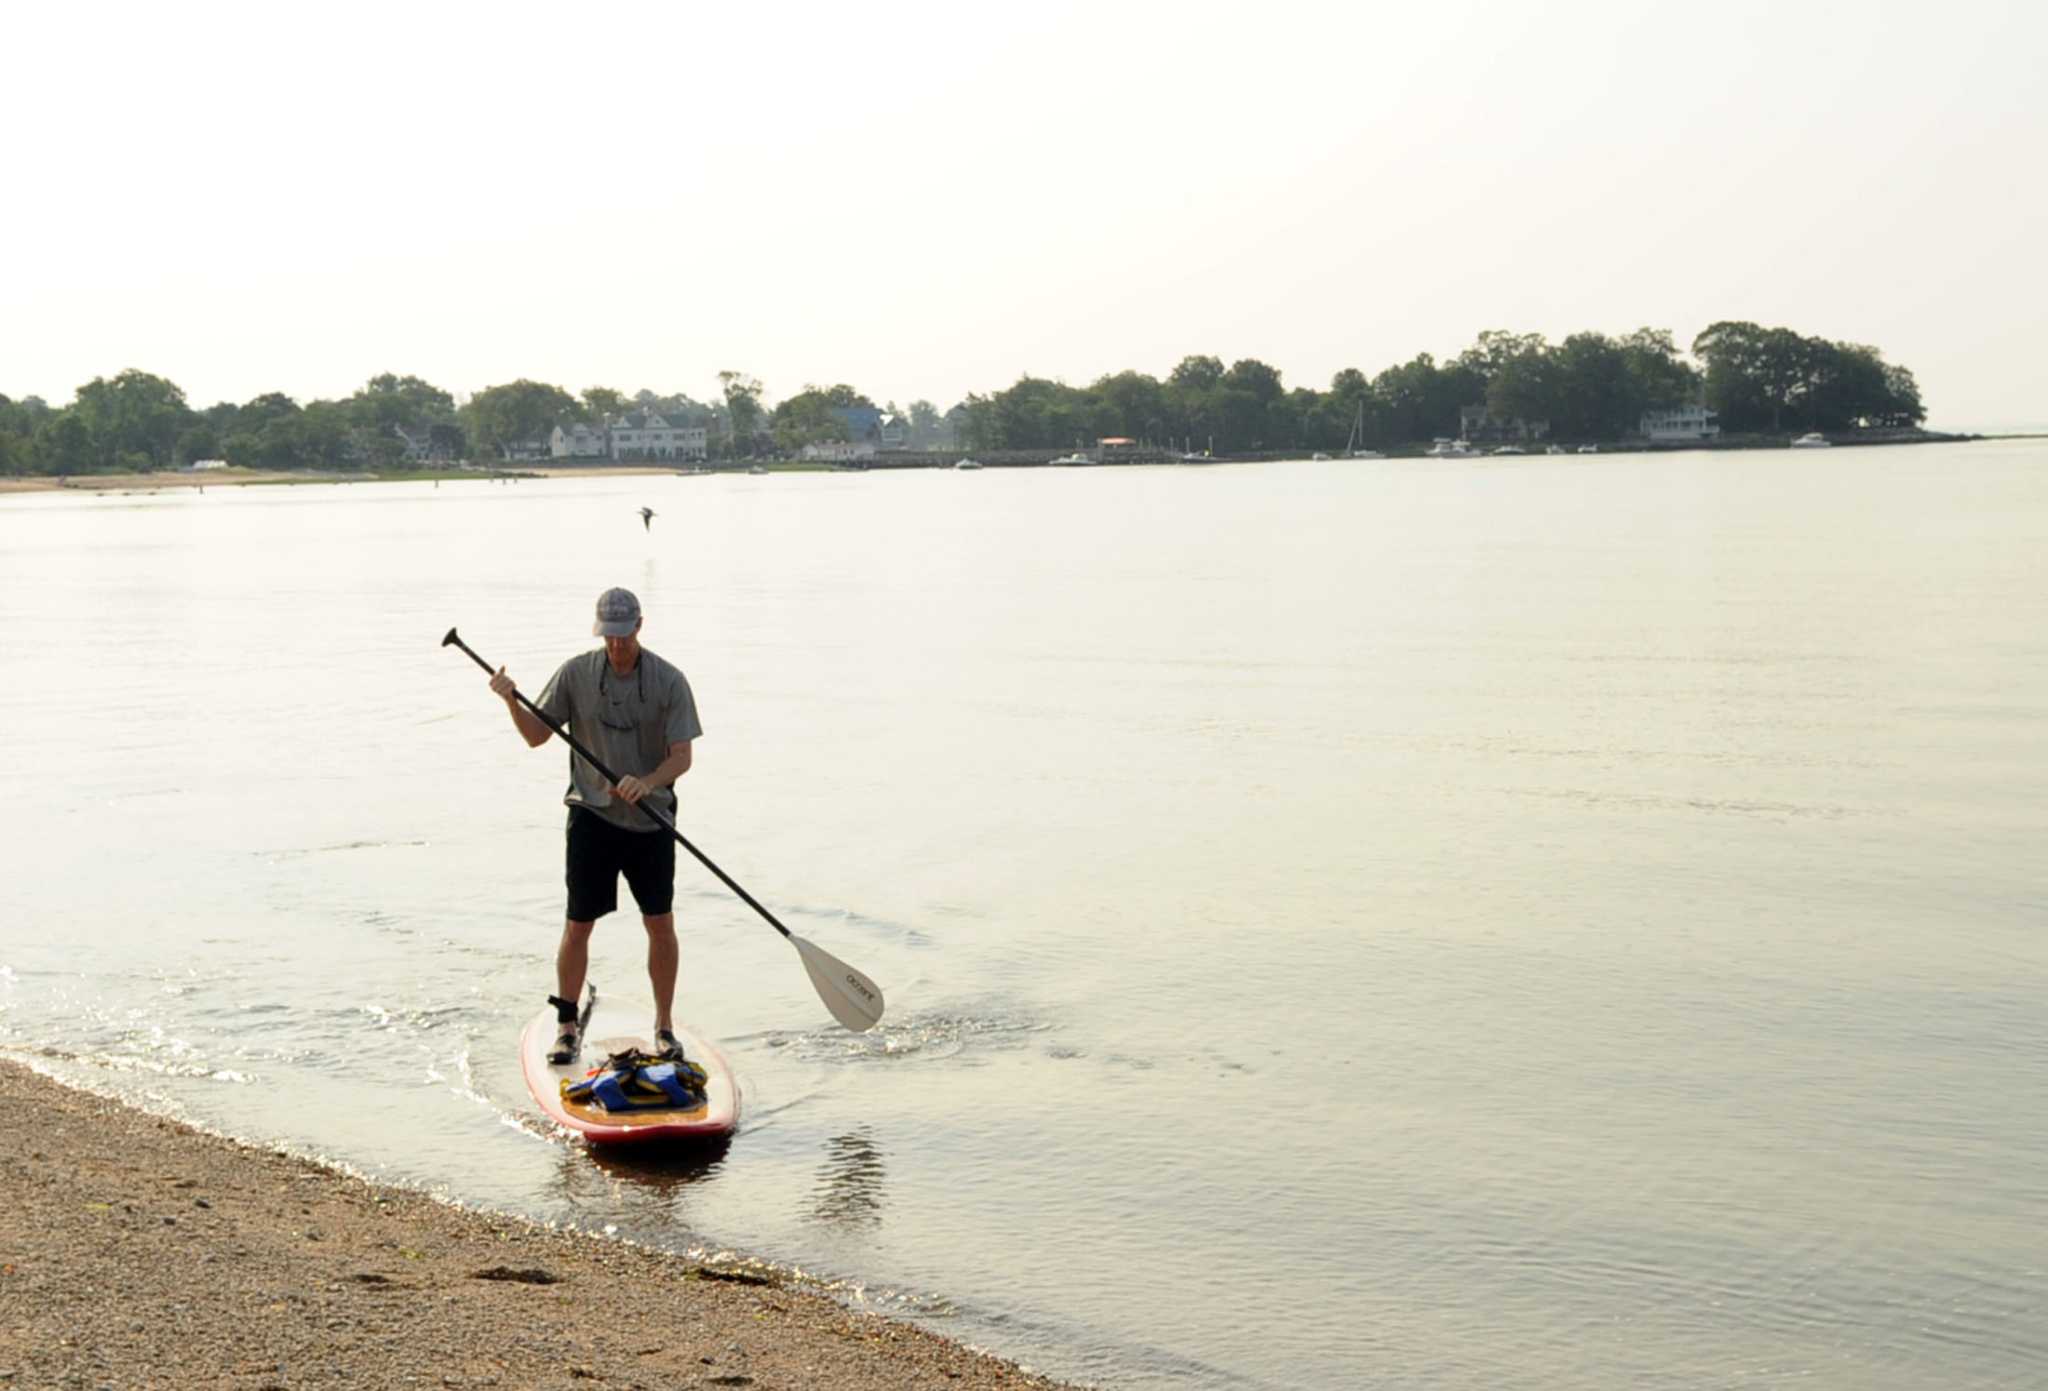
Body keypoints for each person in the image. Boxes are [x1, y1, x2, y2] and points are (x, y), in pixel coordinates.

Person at [488, 587, 702, 1064]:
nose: (616, 646)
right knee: (577, 924)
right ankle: (566, 1025)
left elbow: (682, 757)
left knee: (660, 923)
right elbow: (536, 737)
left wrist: (646, 782)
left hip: (651, 820)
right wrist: (510, 702)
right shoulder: (575, 673)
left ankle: (664, 1026)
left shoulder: (670, 681)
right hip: (591, 817)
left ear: (639, 628)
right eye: (609, 636)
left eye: (624, 636)